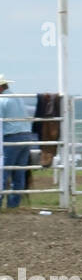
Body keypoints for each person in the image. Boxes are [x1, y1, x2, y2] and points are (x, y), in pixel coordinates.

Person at [0, 74, 37, 209]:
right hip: (26, 136)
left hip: (11, 137)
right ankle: (14, 204)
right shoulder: (17, 97)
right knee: (19, 173)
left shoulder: (2, 100)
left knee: (3, 171)